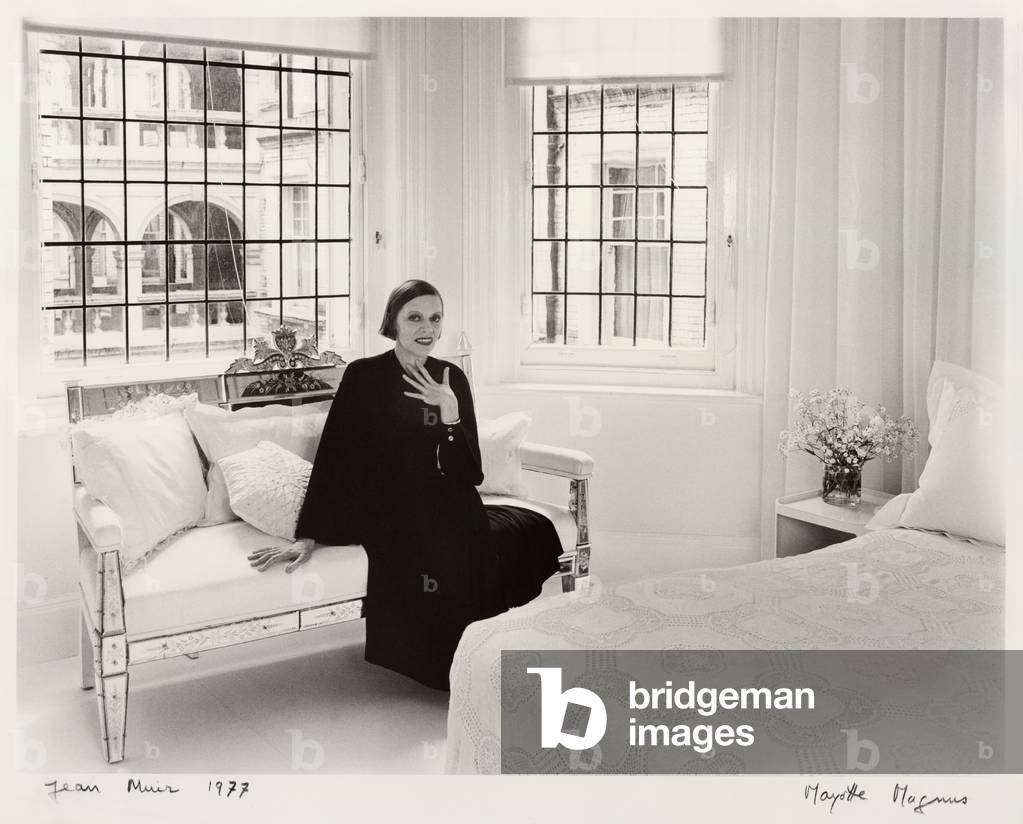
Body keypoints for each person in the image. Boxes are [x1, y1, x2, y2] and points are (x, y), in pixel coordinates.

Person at [247, 279, 562, 690]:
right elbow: (334, 458)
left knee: (468, 538)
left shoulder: (451, 378)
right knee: (432, 543)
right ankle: (446, 671)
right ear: (393, 323)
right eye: (414, 317)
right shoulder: (364, 376)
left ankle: (478, 664)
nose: (426, 327)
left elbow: (470, 473)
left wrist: (450, 416)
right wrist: (308, 534)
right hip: (385, 505)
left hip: (448, 496)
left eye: (435, 318)